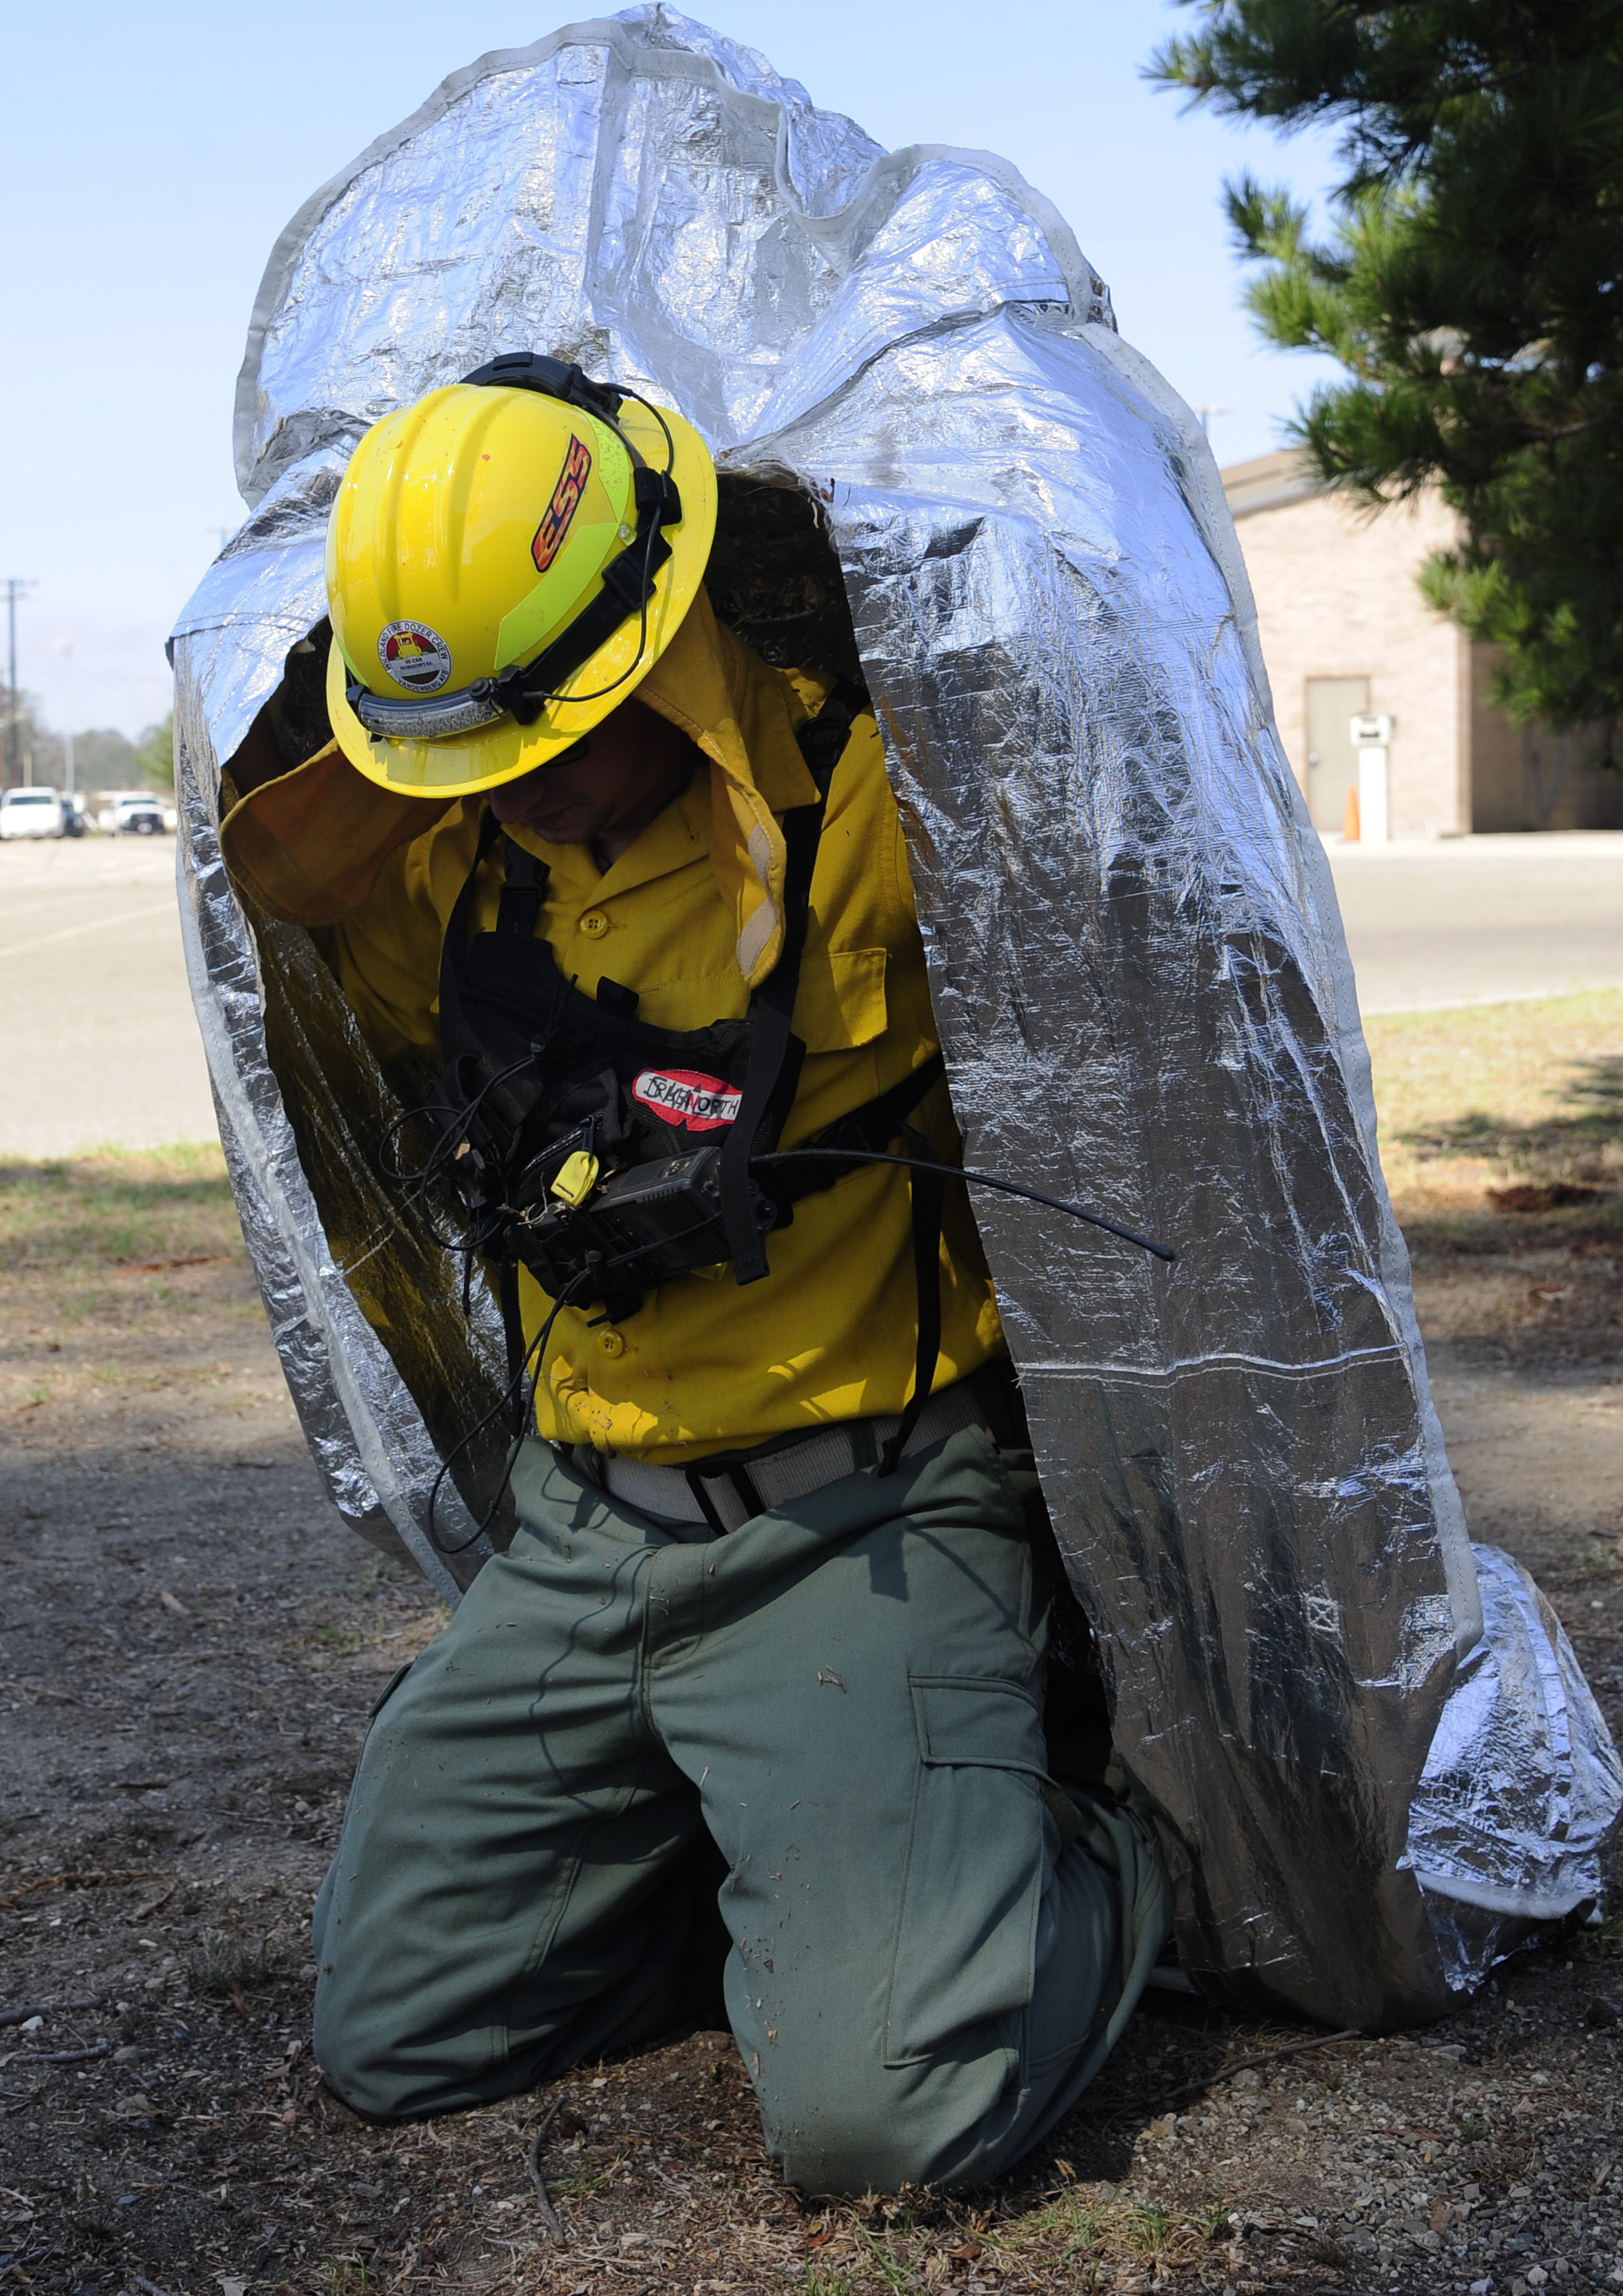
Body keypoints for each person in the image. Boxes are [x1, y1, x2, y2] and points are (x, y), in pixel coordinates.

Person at [220, 352, 1171, 2194]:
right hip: (583, 1541)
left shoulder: (887, 812)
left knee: (888, 2122)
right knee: (402, 2028)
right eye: (464, 756)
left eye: (545, 737)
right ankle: (810, 1909)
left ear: (653, 630)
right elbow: (287, 869)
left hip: (858, 1523)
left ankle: (1071, 1844)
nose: (511, 793)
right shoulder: (436, 856)